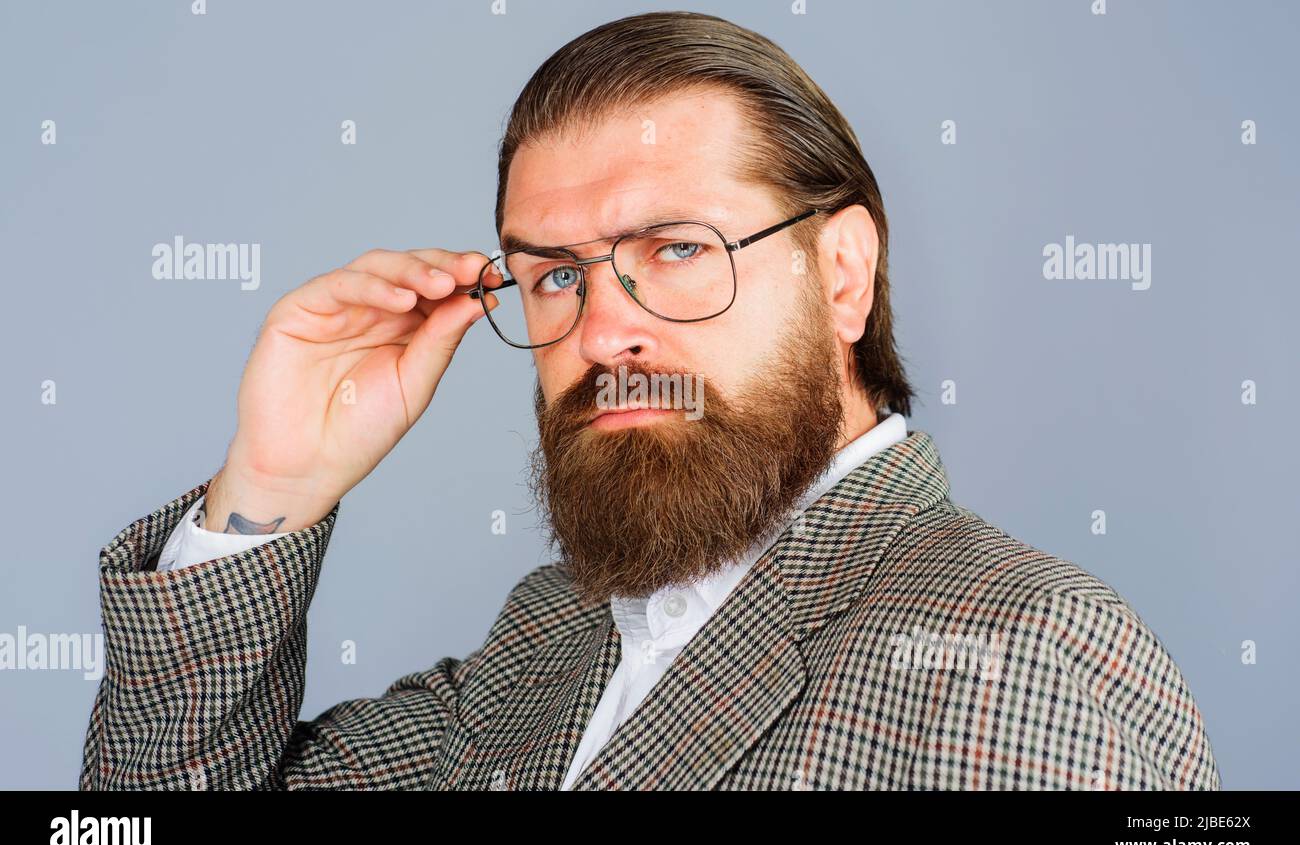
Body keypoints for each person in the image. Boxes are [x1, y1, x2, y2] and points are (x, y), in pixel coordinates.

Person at [80, 11, 1218, 791]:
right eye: (557, 273)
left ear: (843, 274)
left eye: (675, 247)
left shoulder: (1016, 655)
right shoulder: (553, 630)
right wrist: (269, 489)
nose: (604, 326)